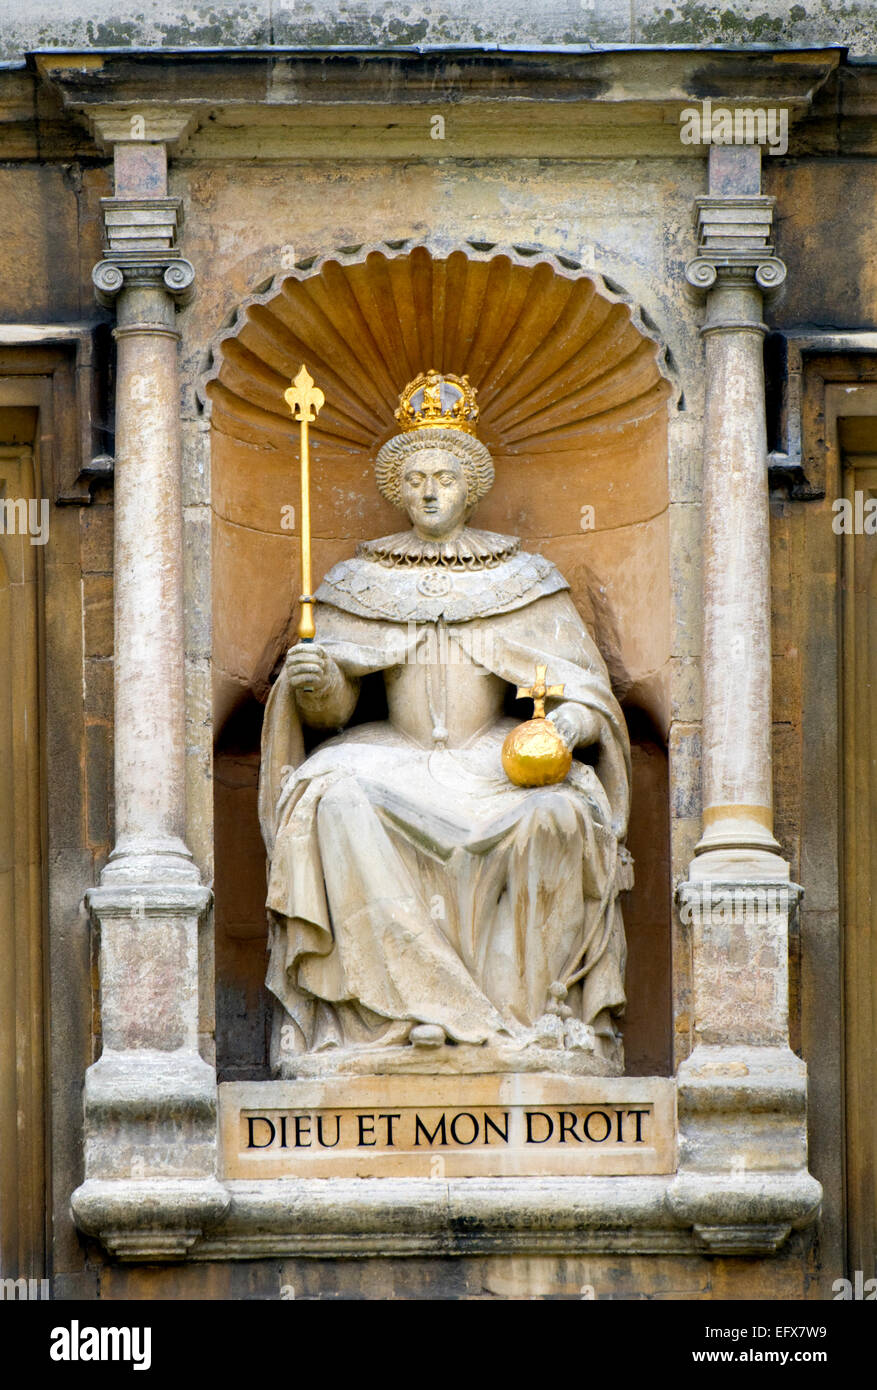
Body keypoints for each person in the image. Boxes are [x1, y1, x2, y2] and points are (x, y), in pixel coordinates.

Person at [259, 371, 632, 1074]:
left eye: (446, 477)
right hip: (392, 753)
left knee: (554, 813)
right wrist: (317, 686)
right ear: (396, 490)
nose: (431, 491)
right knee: (327, 791)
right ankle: (394, 1012)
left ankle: (526, 1021)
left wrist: (568, 732)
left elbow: (587, 692)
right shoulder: (353, 582)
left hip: (489, 757)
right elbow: (334, 711)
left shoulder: (523, 579)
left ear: (473, 487)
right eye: (417, 478)